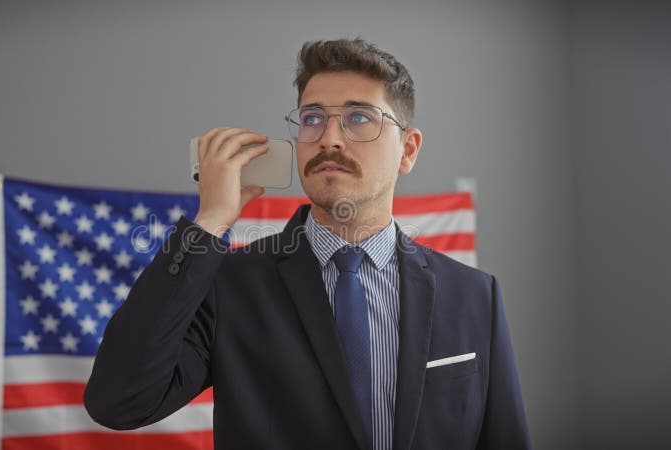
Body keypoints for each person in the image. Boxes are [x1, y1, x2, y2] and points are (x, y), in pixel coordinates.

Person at [84, 38, 532, 450]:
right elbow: (119, 402)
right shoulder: (229, 286)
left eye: (359, 117)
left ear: (408, 150)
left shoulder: (475, 295)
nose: (329, 138)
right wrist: (210, 221)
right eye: (313, 118)